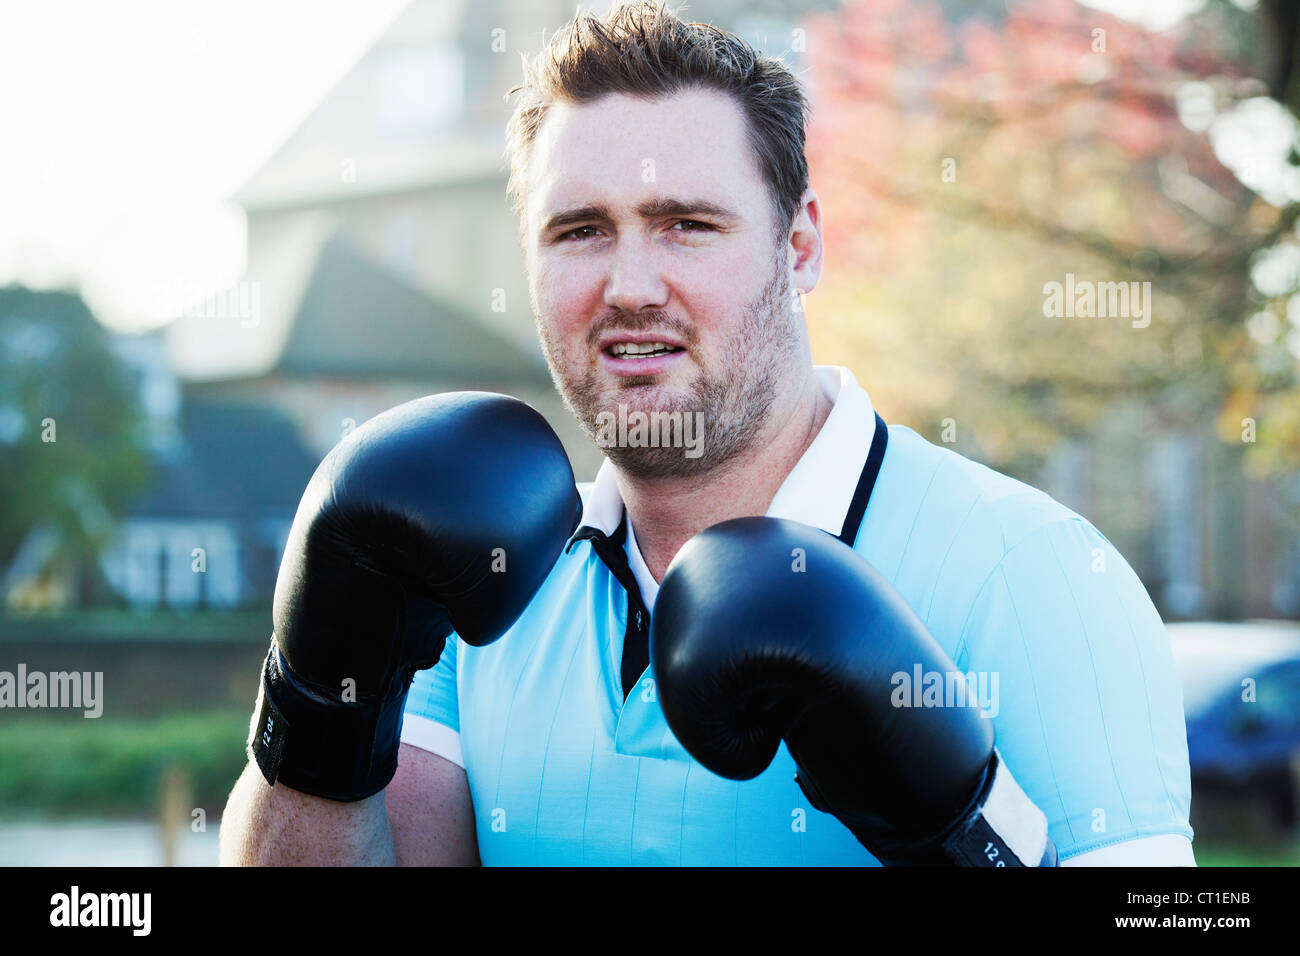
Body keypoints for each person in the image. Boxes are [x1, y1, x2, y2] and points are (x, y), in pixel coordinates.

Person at [219, 0, 1194, 866]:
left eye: (685, 223)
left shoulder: (1031, 575)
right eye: (579, 231)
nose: (631, 285)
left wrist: (964, 838)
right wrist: (315, 688)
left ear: (800, 245)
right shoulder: (478, 580)